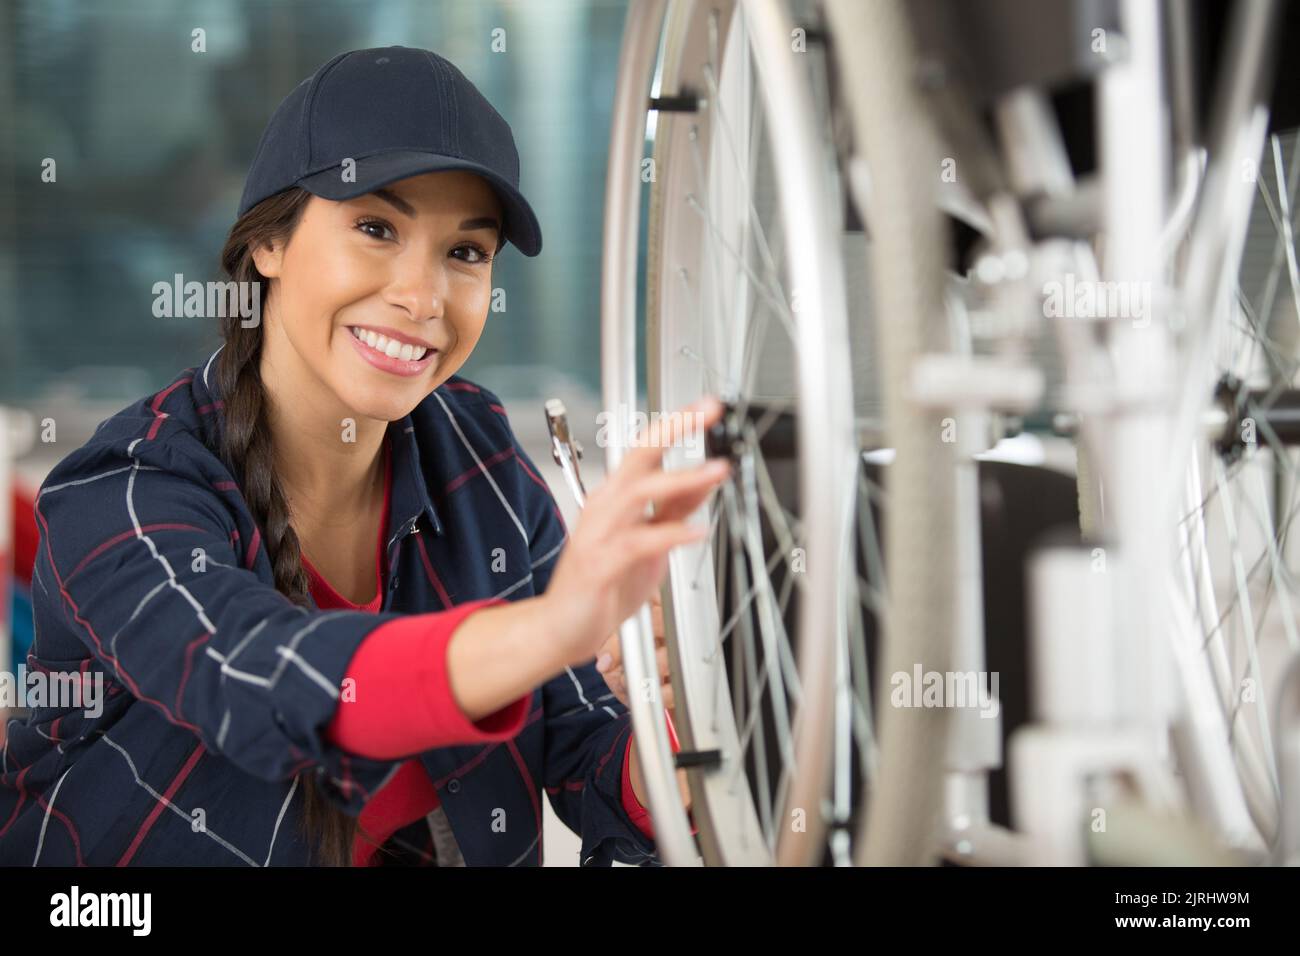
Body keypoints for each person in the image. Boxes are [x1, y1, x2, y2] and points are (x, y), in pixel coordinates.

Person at [0, 45, 724, 866]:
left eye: (466, 253)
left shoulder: (481, 458)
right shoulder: (125, 487)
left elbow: (590, 757)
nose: (423, 298)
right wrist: (554, 626)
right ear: (267, 245)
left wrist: (677, 723)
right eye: (375, 228)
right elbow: (258, 678)